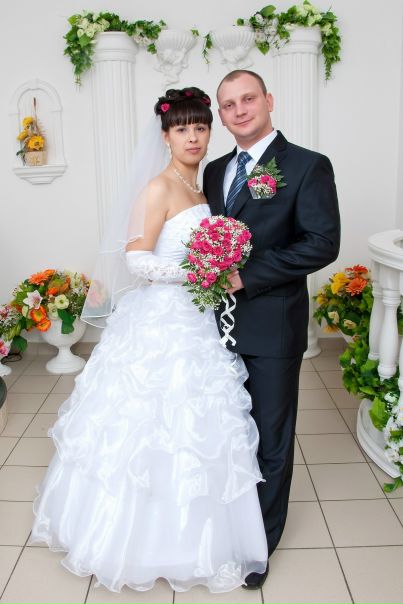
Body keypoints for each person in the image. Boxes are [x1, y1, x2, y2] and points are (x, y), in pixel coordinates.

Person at [30, 87, 268, 593]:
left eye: (200, 127)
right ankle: (135, 541)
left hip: (200, 321)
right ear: (165, 136)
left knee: (199, 427)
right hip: (162, 320)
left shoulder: (204, 188)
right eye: (182, 128)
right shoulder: (159, 187)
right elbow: (136, 258)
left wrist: (212, 269)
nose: (193, 137)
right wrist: (198, 272)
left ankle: (197, 538)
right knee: (150, 425)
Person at [203, 70, 340, 589]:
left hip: (273, 326)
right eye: (228, 104)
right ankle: (225, 526)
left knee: (270, 439)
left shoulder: (306, 165)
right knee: (226, 432)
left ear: (268, 101)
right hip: (213, 327)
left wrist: (249, 275)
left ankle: (258, 547)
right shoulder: (215, 171)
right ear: (221, 115)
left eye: (248, 99)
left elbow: (322, 242)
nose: (239, 110)